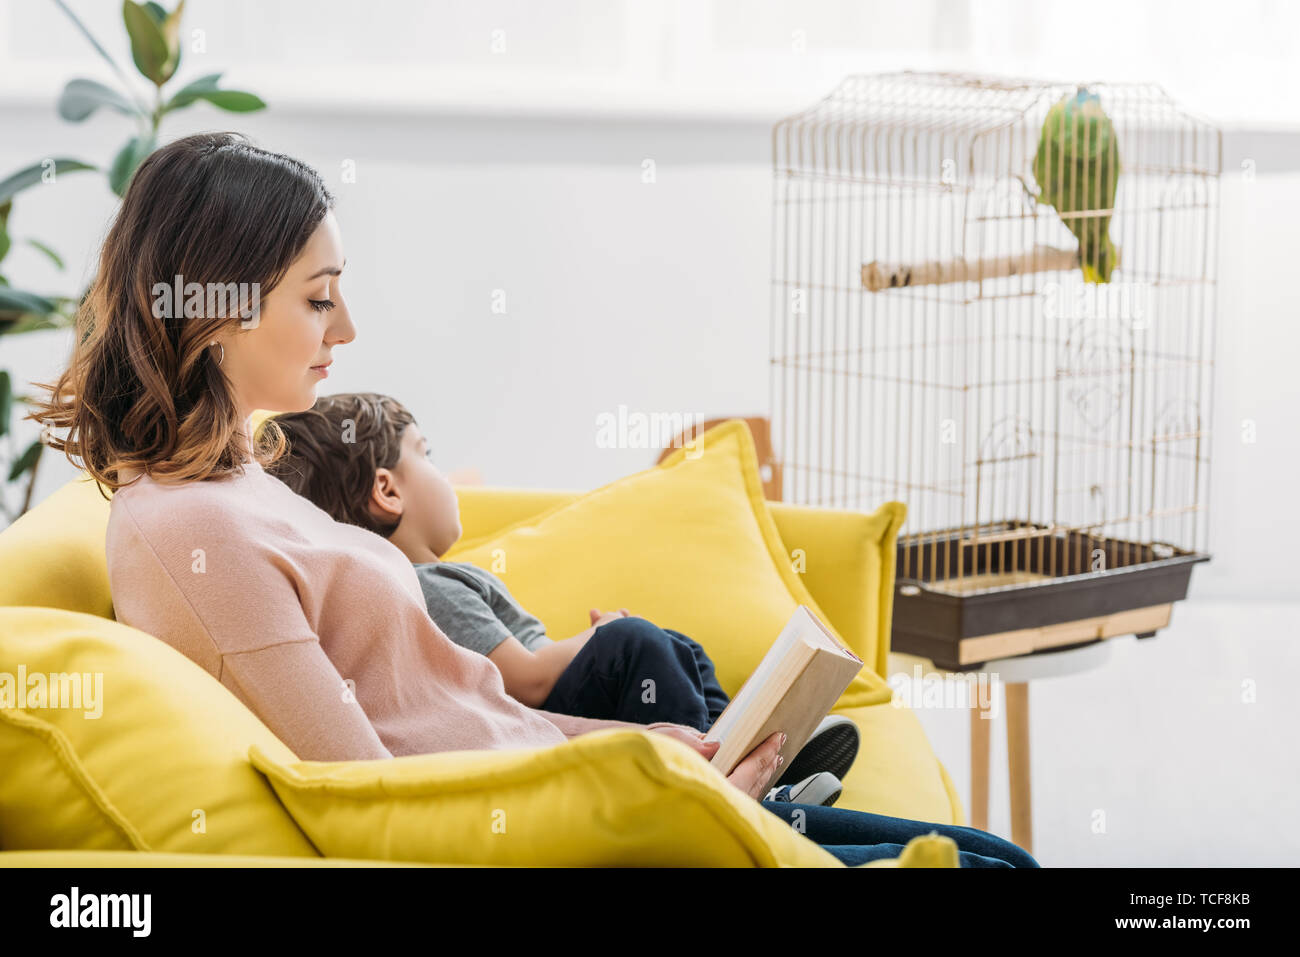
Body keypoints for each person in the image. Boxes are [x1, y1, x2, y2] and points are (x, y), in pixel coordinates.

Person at [28, 131, 1038, 868]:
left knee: (993, 856)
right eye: (319, 296)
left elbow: (463, 714)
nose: (347, 327)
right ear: (217, 310)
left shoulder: (237, 481)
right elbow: (367, 801)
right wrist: (642, 795)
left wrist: (637, 746)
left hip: (573, 794)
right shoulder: (188, 532)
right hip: (564, 834)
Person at [264, 391, 858, 807]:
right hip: (534, 721)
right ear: (387, 491)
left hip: (561, 712)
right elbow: (522, 680)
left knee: (675, 647)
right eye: (427, 453)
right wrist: (598, 639)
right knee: (635, 642)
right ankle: (730, 781)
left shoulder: (435, 580)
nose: (442, 472)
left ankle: (752, 755)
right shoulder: (424, 587)